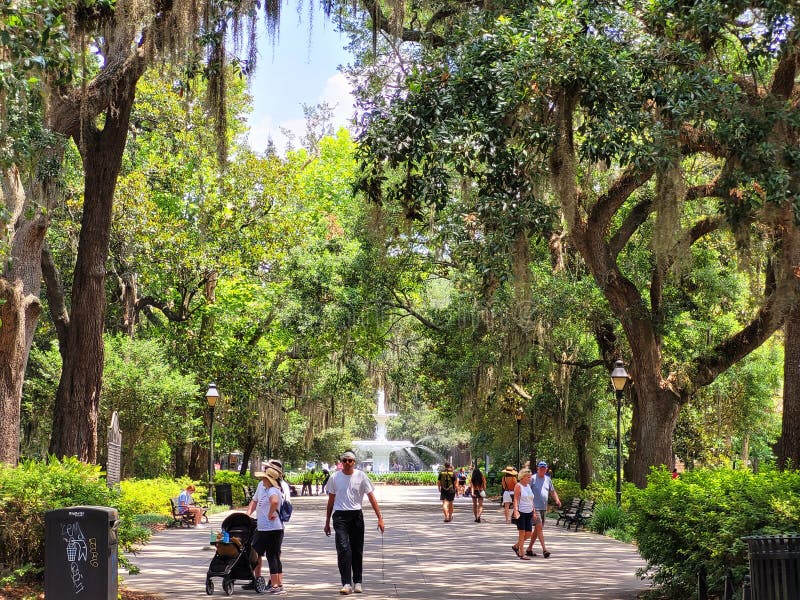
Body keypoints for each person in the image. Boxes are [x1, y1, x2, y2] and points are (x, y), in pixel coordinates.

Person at [324, 451, 385, 595]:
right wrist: (327, 522)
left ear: (354, 462)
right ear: (341, 462)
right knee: (343, 549)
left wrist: (380, 518)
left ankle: (357, 581)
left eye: (350, 460)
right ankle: (346, 583)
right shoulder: (334, 477)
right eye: (344, 460)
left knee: (357, 549)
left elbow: (371, 497)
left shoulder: (361, 476)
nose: (347, 463)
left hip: (356, 515)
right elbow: (330, 501)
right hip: (340, 516)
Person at [247, 467, 286, 594]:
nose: (262, 480)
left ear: (269, 480)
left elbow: (274, 502)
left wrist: (270, 514)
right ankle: (278, 583)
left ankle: (275, 585)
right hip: (267, 528)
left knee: (271, 556)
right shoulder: (269, 489)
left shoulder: (272, 490)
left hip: (271, 529)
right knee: (273, 555)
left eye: (264, 478)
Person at [525, 461, 561, 558]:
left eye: (544, 468)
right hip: (534, 507)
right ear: (538, 468)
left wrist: (557, 500)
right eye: (541, 468)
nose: (542, 470)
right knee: (539, 528)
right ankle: (544, 549)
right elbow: (527, 491)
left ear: (546, 469)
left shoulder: (548, 479)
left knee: (538, 530)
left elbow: (552, 491)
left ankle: (529, 549)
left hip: (543, 508)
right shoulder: (533, 478)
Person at [511, 468, 537, 560]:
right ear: (522, 477)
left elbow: (531, 500)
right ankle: (522, 553)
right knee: (522, 533)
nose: (530, 479)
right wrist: (516, 510)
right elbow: (515, 499)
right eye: (528, 477)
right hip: (521, 512)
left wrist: (534, 511)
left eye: (530, 477)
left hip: (529, 512)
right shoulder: (518, 486)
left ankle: (516, 546)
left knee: (529, 533)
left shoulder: (528, 486)